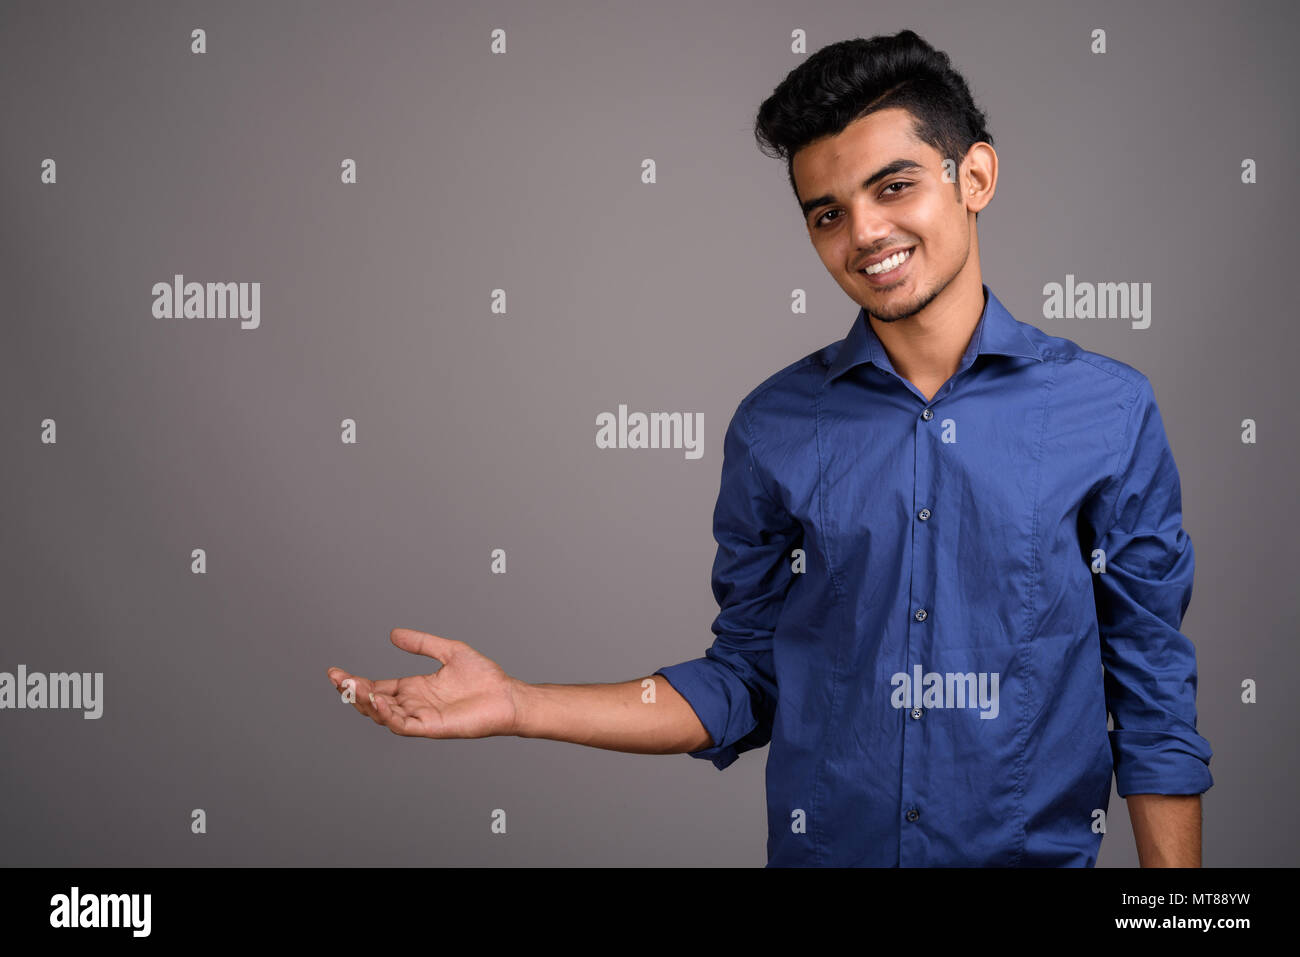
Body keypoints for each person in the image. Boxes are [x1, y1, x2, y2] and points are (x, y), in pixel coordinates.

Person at [325, 30, 1212, 867]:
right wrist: (519, 703)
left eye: (894, 186)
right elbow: (746, 678)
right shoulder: (775, 424)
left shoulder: (1106, 409)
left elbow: (1150, 688)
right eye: (828, 212)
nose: (863, 233)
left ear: (973, 175)